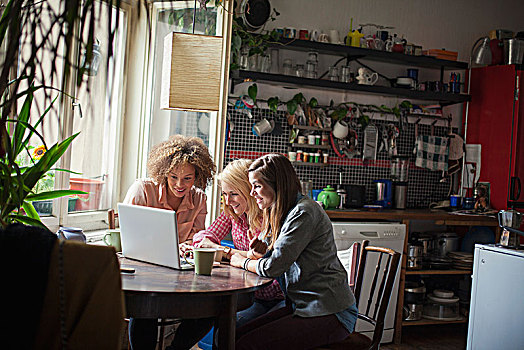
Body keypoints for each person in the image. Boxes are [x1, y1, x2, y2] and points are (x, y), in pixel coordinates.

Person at [230, 153, 358, 350]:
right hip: (304, 306)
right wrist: (261, 251)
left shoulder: (303, 212)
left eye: (257, 186)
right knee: (233, 335)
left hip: (330, 311)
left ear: (277, 184)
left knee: (246, 345)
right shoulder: (280, 212)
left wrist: (242, 261)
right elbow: (270, 258)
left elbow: (272, 268)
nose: (252, 192)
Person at [124, 134, 216, 350]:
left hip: (179, 275)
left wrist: (191, 246)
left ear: (198, 176)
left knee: (210, 309)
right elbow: (128, 236)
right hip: (143, 273)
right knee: (148, 305)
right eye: (173, 177)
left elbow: (198, 239)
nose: (179, 184)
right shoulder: (143, 190)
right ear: (164, 172)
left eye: (187, 178)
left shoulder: (200, 199)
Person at [191, 159, 285, 327]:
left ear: (250, 189)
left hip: (272, 297)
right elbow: (202, 237)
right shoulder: (234, 213)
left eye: (233, 194)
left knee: (231, 326)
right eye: (225, 194)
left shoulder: (268, 218)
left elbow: (262, 264)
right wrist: (226, 251)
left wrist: (223, 252)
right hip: (248, 293)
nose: (227, 201)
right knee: (204, 315)